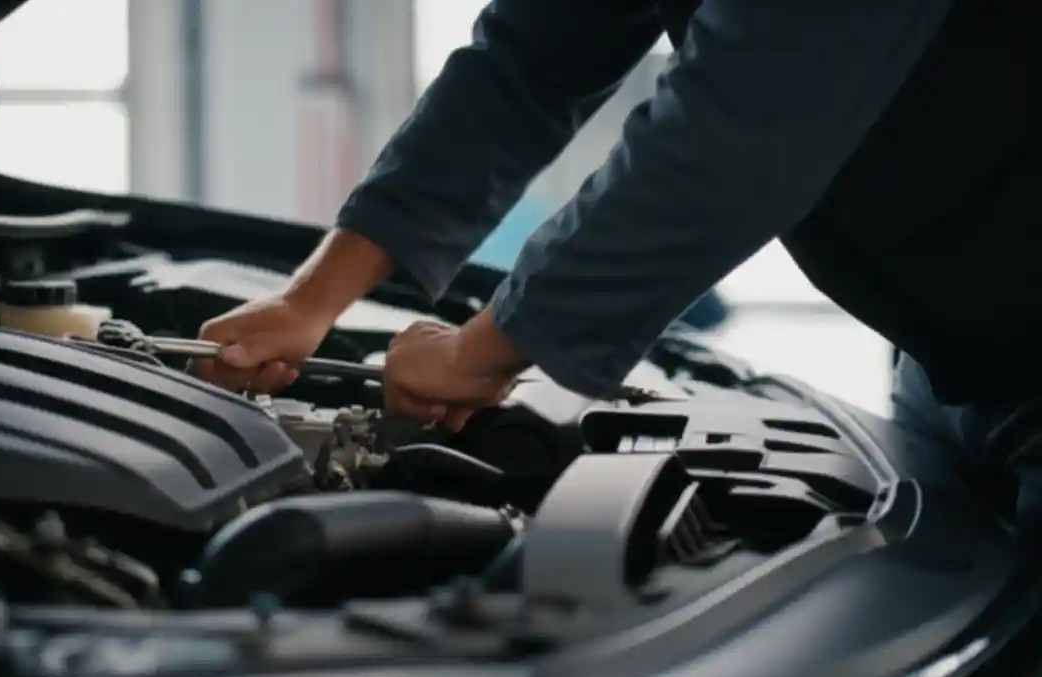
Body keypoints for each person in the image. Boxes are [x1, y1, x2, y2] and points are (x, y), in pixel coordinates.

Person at [198, 1, 1042, 532]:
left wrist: (483, 351)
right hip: (951, 355)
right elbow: (525, 62)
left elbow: (736, 133)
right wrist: (312, 300)